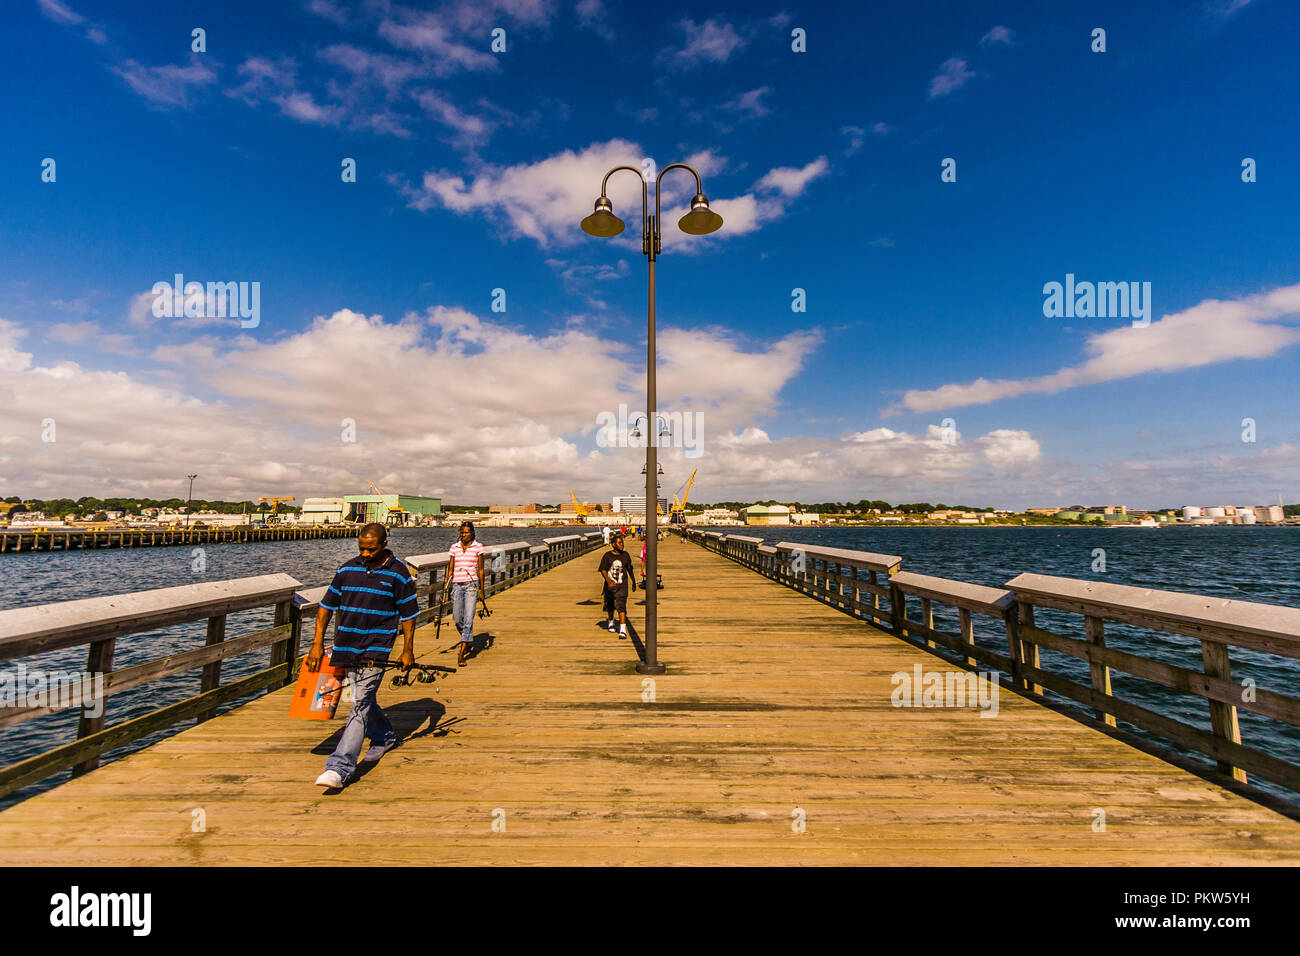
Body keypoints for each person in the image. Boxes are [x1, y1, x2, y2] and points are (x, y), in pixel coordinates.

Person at [307, 523, 417, 789]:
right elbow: (325, 608)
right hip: (346, 644)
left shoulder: (399, 574)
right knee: (361, 697)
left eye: (371, 549)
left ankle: (339, 767)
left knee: (359, 701)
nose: (366, 554)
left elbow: (409, 616)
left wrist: (408, 649)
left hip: (377, 648)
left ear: (384, 545)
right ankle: (385, 736)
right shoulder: (346, 569)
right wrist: (316, 644)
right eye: (362, 549)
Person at [442, 520, 485, 667]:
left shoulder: (478, 547)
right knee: (457, 618)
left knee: (468, 619)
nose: (463, 535)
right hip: (457, 586)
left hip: (471, 586)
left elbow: (481, 569)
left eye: (466, 533)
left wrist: (482, 590)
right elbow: (450, 569)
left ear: (472, 533)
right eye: (461, 532)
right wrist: (444, 589)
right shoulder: (454, 548)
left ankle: (462, 652)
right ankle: (468, 638)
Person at [597, 532, 636, 638]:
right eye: (619, 543)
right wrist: (608, 581)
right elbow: (603, 570)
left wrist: (633, 581)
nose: (622, 545)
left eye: (622, 543)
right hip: (610, 586)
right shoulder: (607, 556)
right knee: (610, 605)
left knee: (621, 606)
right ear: (613, 544)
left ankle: (622, 630)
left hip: (622, 586)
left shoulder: (625, 555)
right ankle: (611, 622)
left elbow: (629, 569)